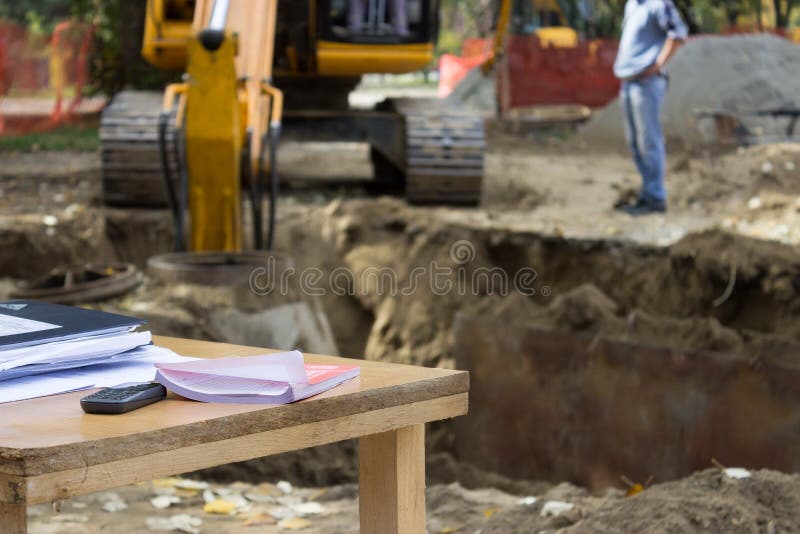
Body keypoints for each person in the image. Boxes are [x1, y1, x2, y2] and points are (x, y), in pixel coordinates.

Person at [613, 0, 688, 216]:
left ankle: (655, 197)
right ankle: (647, 193)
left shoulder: (658, 3)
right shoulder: (633, 5)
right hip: (629, 81)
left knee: (649, 142)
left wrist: (657, 65)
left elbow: (678, 34)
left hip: (646, 83)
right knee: (636, 143)